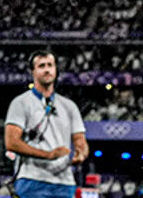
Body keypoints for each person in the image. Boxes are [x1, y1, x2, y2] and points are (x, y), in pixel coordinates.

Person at [5, 49, 88, 198]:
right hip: (32, 180)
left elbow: (80, 141)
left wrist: (81, 154)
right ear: (33, 72)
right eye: (41, 66)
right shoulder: (20, 103)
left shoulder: (69, 106)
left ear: (56, 70)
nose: (47, 70)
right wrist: (48, 155)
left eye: (50, 65)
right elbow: (12, 143)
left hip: (65, 183)